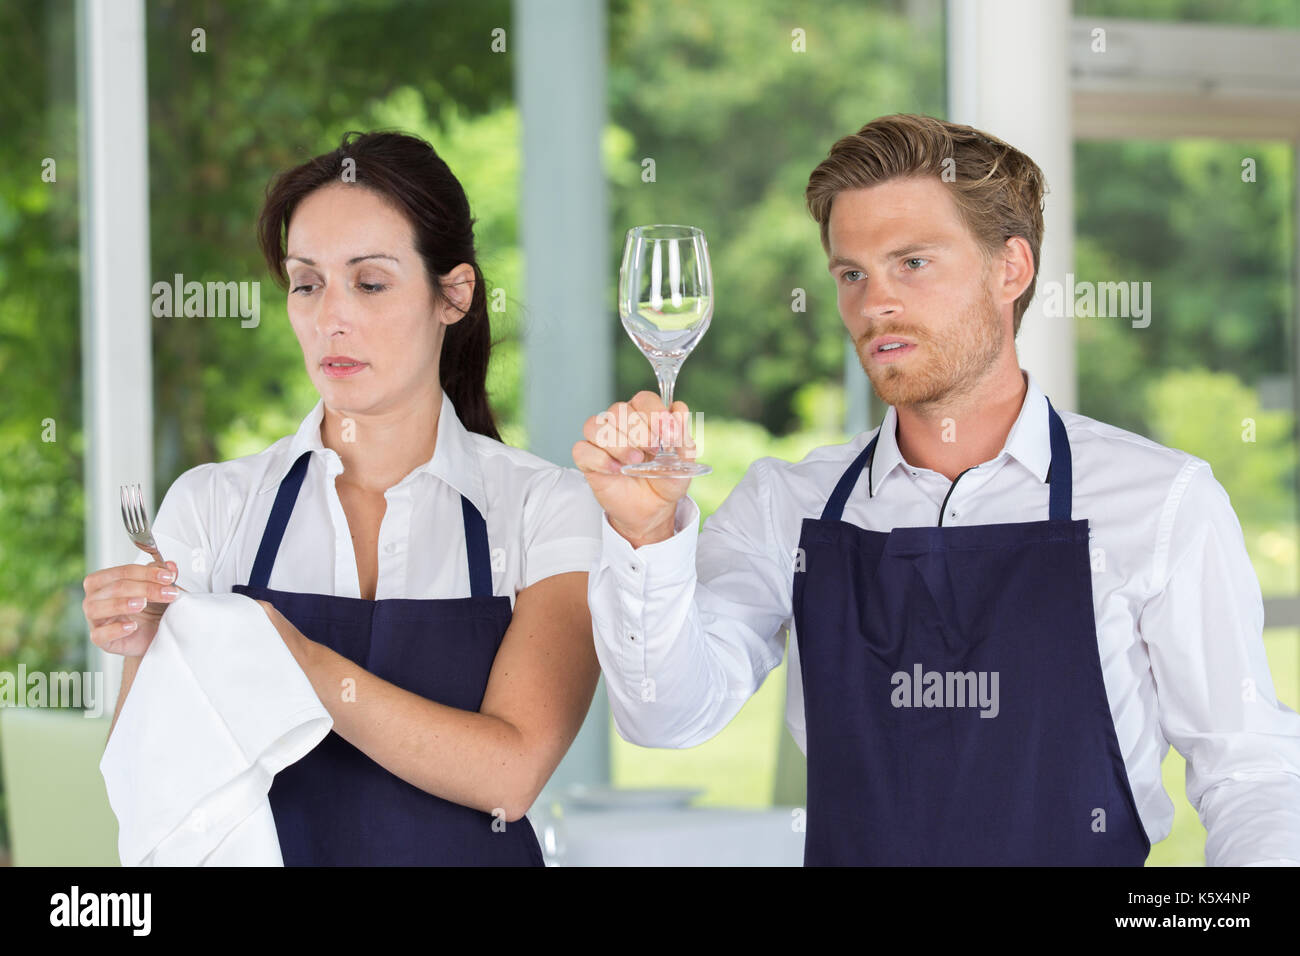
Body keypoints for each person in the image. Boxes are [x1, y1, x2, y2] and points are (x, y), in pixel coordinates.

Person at [572, 113, 1300, 866]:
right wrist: (647, 537)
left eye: (911, 263)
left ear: (1009, 270)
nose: (874, 303)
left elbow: (1252, 773)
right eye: (851, 273)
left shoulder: (1160, 500)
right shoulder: (788, 506)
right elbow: (664, 715)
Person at [83, 130, 603, 866]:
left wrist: (291, 656)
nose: (331, 316)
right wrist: (154, 657)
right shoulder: (210, 507)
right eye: (306, 282)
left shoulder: (544, 509)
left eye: (369, 282)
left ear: (452, 295)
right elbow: (155, 794)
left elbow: (511, 775)